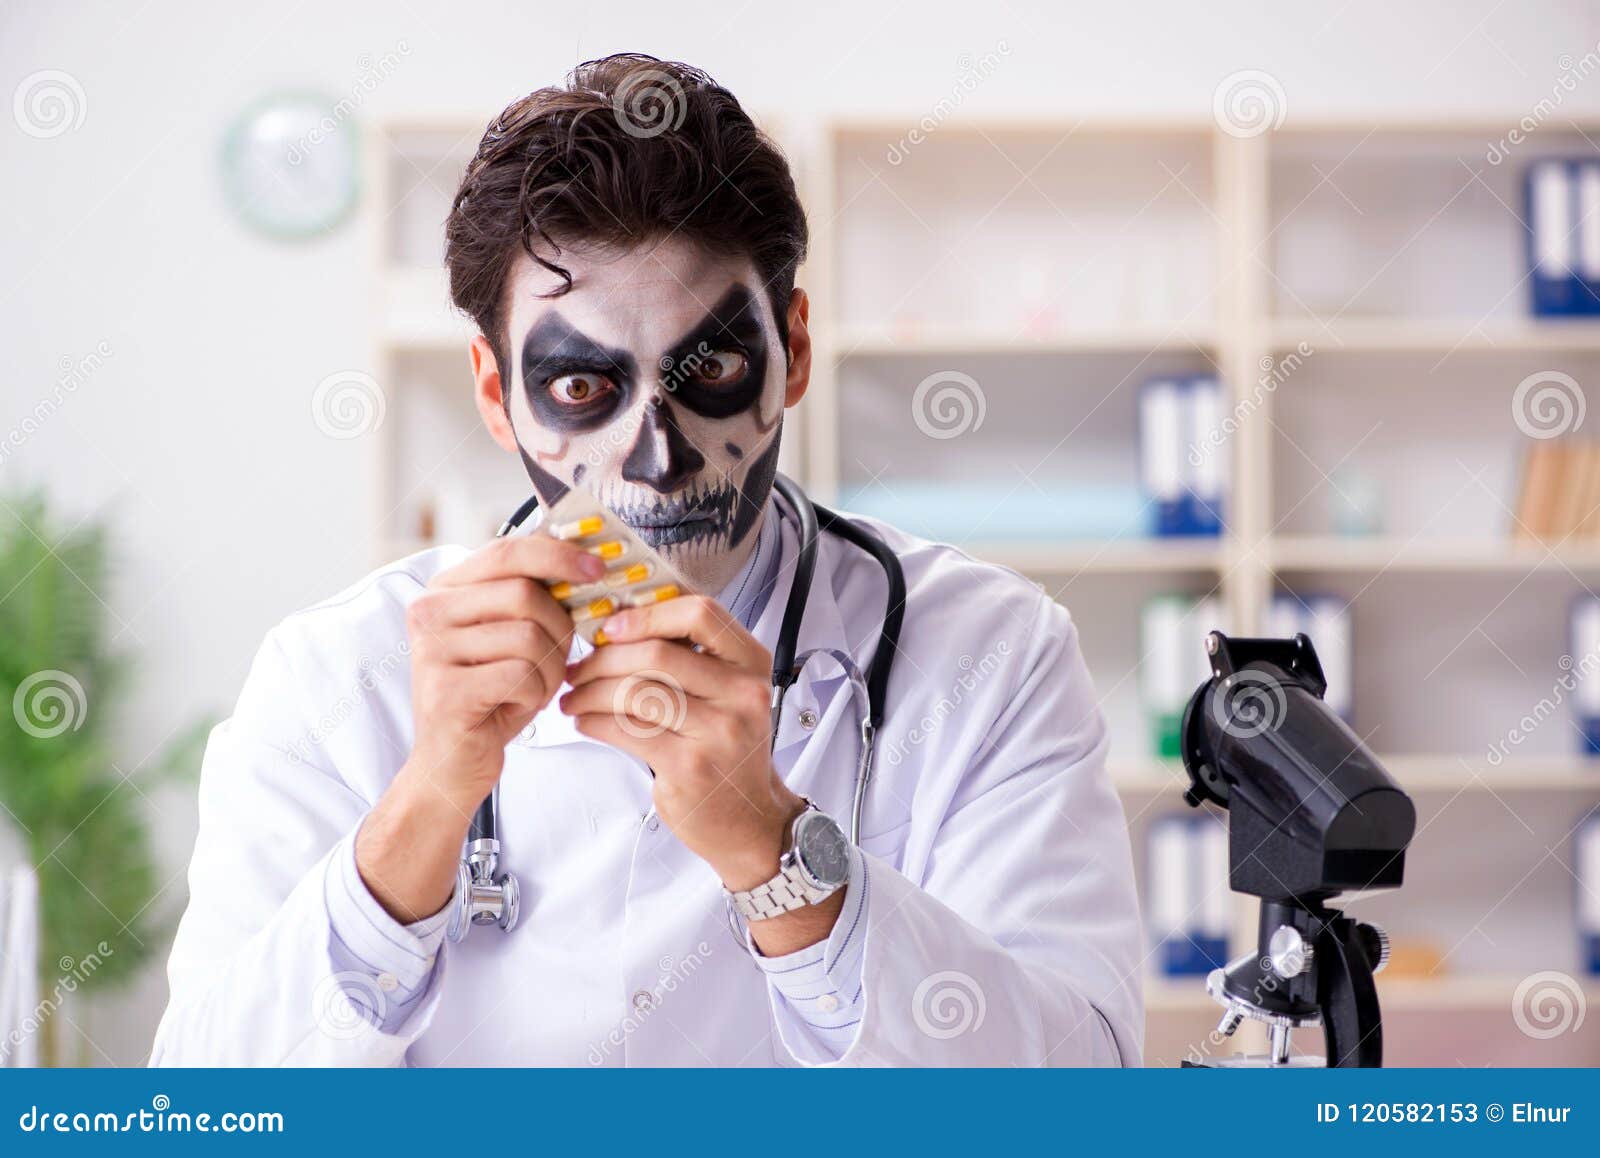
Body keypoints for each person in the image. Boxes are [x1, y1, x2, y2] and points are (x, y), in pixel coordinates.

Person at [151, 53, 1144, 1067]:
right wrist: (429, 800)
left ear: (792, 353)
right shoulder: (334, 675)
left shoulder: (988, 653)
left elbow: (1083, 1089)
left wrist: (778, 851)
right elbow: (201, 1110)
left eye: (709, 368)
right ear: (496, 394)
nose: (657, 460)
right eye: (582, 387)